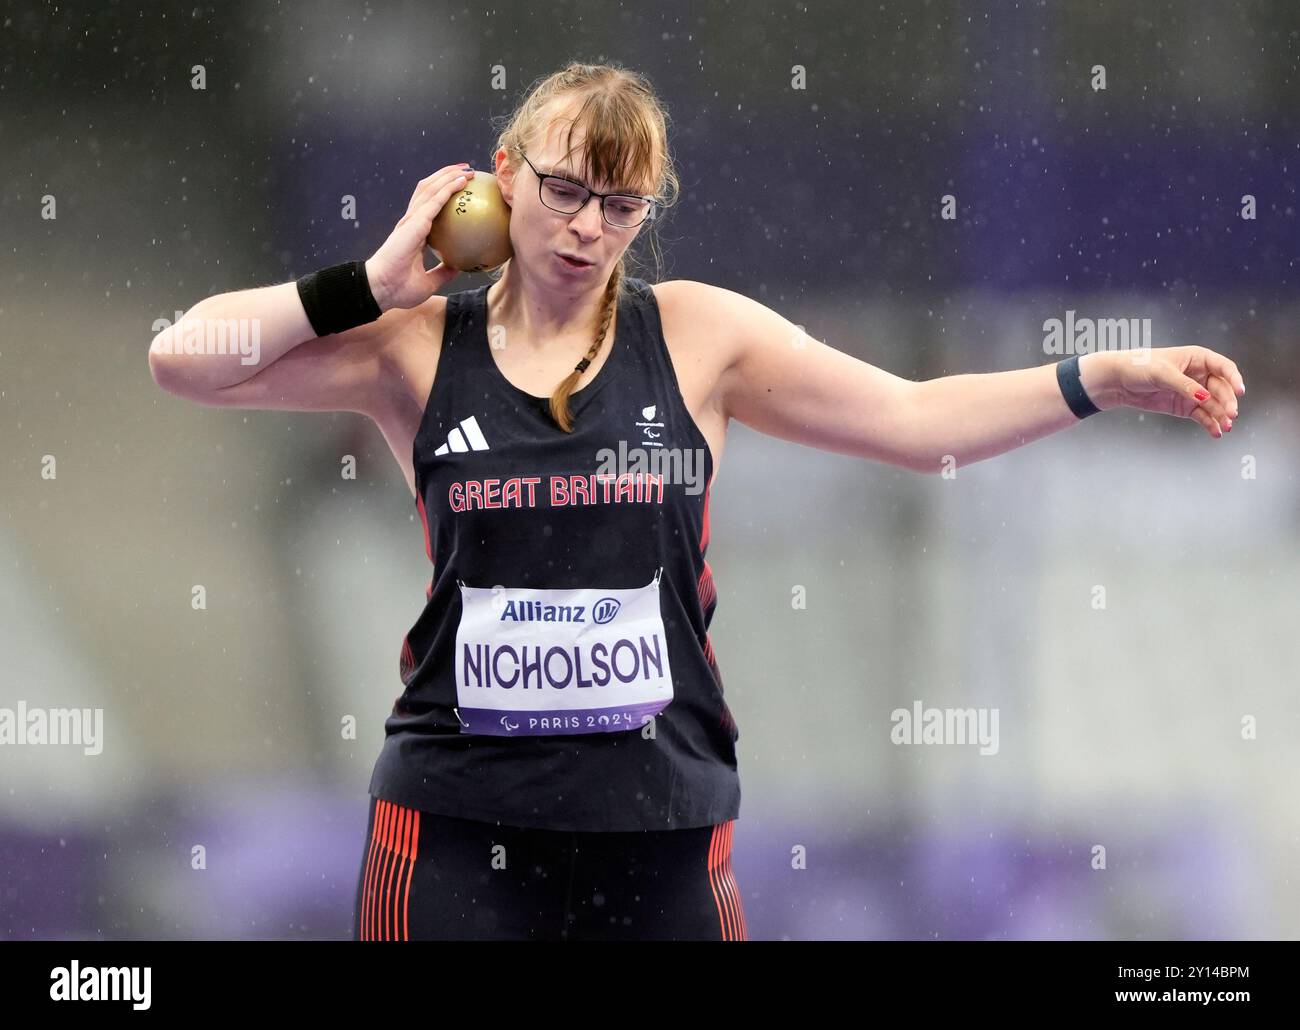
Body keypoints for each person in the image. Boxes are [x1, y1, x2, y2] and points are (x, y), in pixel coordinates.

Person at [147, 61, 1245, 942]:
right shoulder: (415, 347)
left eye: (618, 205)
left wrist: (1095, 378)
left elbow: (915, 423)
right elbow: (184, 361)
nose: (585, 228)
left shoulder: (699, 336)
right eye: (565, 190)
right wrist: (372, 283)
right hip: (452, 828)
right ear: (499, 180)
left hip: (657, 829)